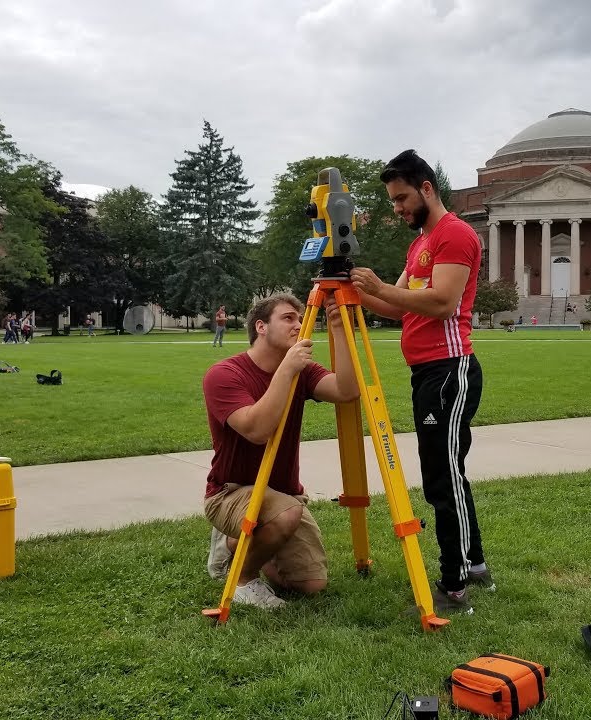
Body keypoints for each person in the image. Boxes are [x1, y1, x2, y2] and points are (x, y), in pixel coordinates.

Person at [348, 149, 493, 614]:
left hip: (449, 370)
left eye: (402, 198)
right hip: (428, 373)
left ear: (427, 189)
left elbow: (442, 303)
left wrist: (376, 287)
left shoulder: (455, 235)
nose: (398, 208)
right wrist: (356, 298)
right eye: (393, 201)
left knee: (440, 478)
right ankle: (474, 566)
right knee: (449, 473)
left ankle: (454, 586)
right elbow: (398, 305)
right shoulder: (420, 245)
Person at [201, 292, 359, 609]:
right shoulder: (224, 374)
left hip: (284, 495)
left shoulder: (303, 371)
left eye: (300, 319)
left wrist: (341, 329)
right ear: (261, 326)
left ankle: (241, 545)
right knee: (286, 515)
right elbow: (257, 431)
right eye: (288, 318)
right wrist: (286, 371)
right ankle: (243, 578)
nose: (299, 326)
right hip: (231, 492)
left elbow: (346, 390)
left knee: (311, 585)